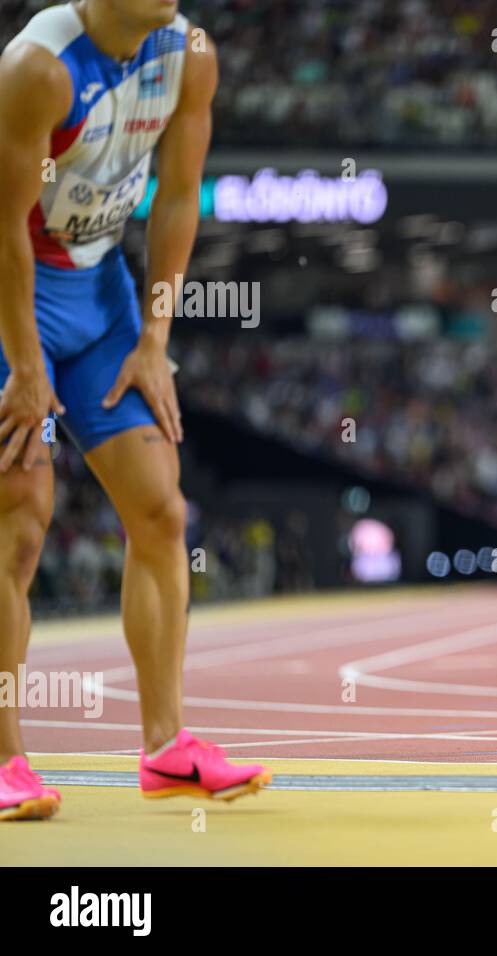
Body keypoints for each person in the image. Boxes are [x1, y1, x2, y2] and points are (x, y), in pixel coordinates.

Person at [0, 0, 268, 821]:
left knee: (160, 509)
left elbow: (179, 196)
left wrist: (154, 337)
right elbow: (4, 223)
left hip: (102, 297)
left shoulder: (191, 55)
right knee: (20, 514)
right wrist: (23, 365)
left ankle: (164, 749)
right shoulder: (36, 69)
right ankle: (5, 759)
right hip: (17, 294)